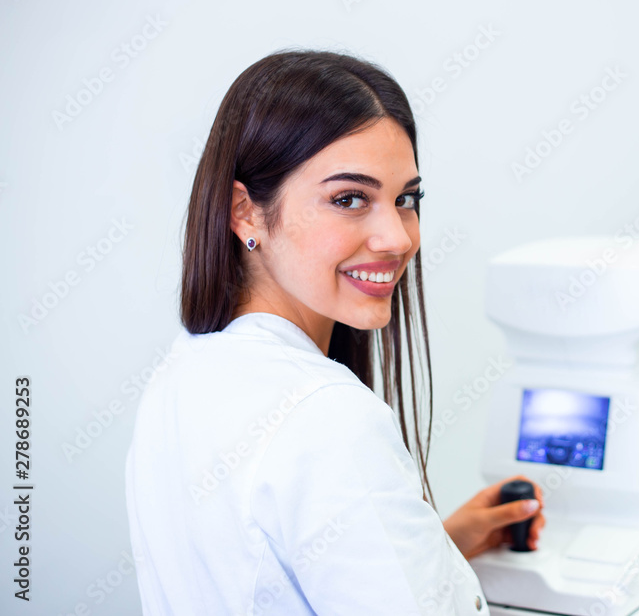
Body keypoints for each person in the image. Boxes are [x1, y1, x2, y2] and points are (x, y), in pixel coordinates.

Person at [124, 50, 544, 615]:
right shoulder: (325, 413)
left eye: (406, 199)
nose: (396, 238)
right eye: (349, 199)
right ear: (244, 212)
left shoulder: (181, 374)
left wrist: (429, 550)